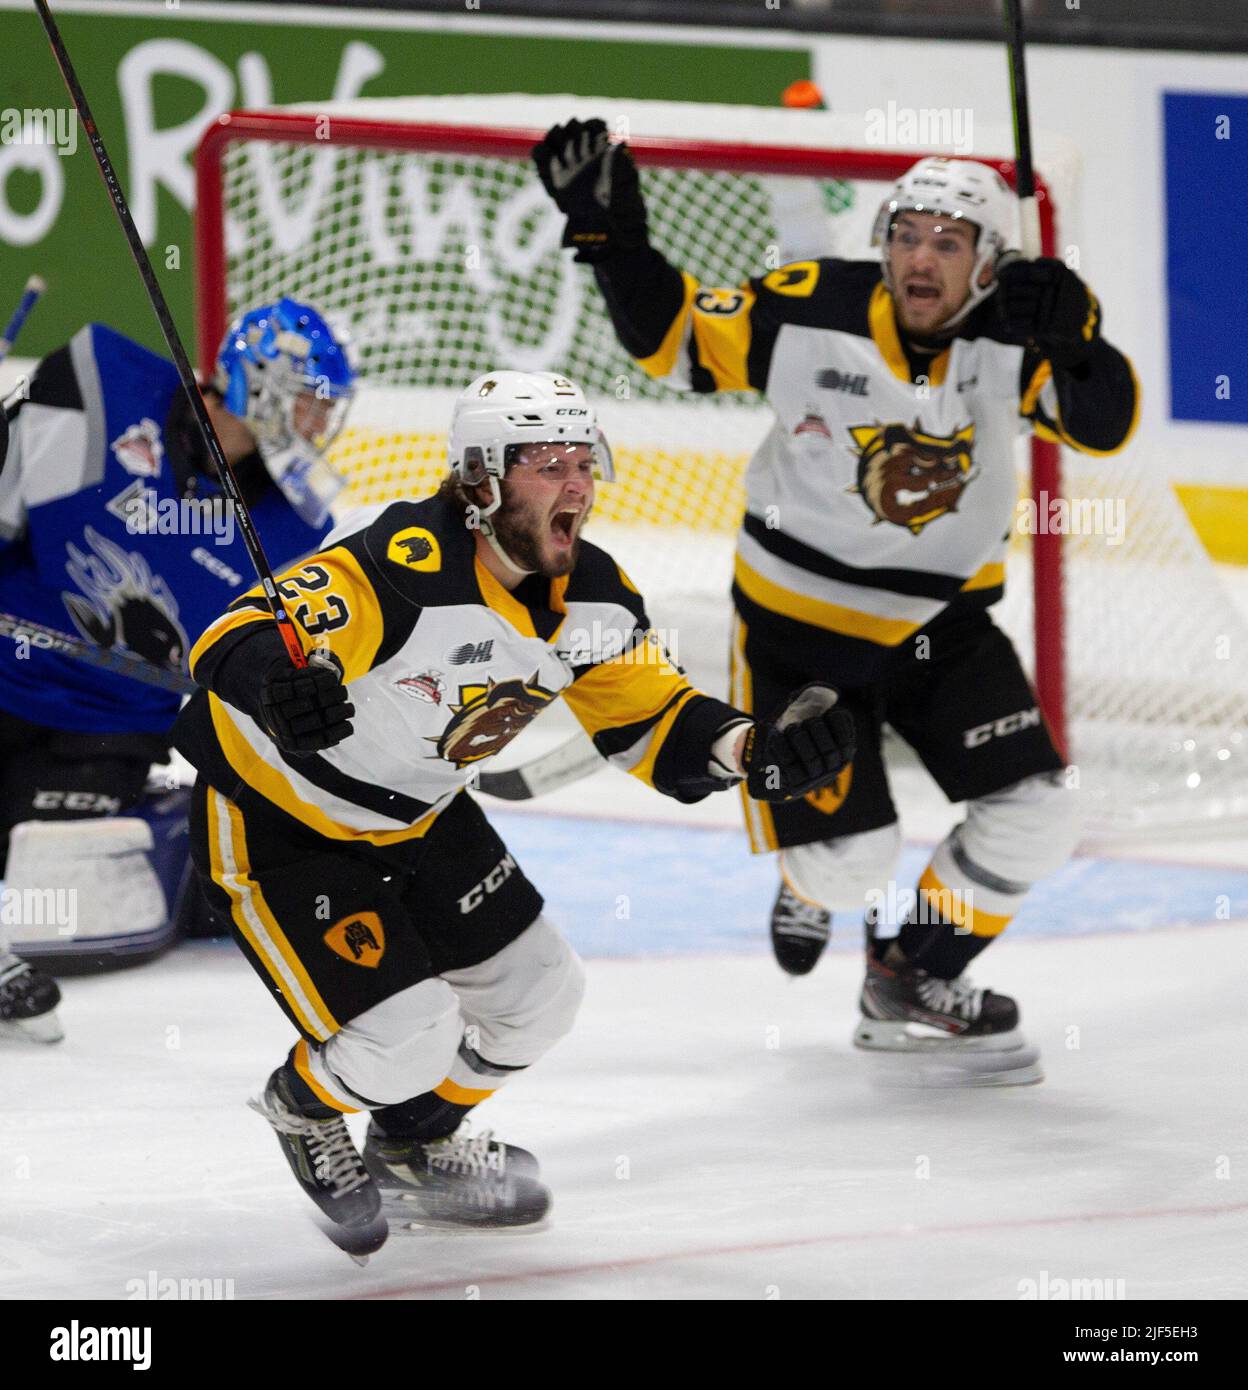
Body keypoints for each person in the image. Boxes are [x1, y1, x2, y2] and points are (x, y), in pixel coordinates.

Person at [173, 370, 855, 1257]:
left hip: (422, 814)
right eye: (548, 465)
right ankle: (305, 1107)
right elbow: (231, 633)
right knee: (406, 1040)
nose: (577, 485)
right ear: (482, 481)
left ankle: (414, 1145)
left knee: (541, 997)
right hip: (281, 823)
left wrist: (753, 752)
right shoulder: (404, 564)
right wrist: (278, 686)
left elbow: (651, 719)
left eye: (583, 463)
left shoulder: (593, 598)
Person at [533, 122, 1138, 1081]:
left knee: (1037, 814)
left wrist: (1080, 339)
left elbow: (1104, 425)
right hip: (797, 631)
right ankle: (811, 881)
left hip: (944, 627)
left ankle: (910, 975)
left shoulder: (1016, 330)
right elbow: (672, 341)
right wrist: (616, 244)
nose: (919, 257)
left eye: (948, 240)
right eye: (906, 234)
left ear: (989, 262)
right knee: (853, 859)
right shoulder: (810, 307)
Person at [0, 298, 355, 1041]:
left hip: (107, 729)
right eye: (314, 401)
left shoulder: (293, 530)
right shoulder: (104, 382)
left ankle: (172, 844)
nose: (323, 425)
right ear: (261, 384)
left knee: (53, 884)